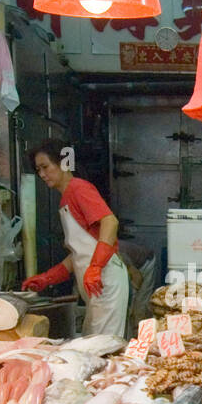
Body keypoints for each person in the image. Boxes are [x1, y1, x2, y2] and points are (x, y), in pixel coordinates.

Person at [21, 140, 130, 337]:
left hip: (106, 281)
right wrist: (48, 278)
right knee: (94, 340)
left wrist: (96, 267)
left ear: (63, 163)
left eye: (45, 167)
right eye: (38, 170)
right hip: (94, 287)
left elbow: (110, 222)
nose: (42, 175)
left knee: (104, 345)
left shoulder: (79, 188)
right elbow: (79, 254)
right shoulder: (65, 198)